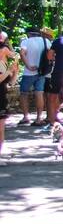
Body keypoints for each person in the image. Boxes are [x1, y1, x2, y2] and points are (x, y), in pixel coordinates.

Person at [18, 26, 50, 126]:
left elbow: (22, 54)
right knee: (39, 93)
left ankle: (26, 117)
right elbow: (51, 55)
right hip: (41, 72)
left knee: (23, 94)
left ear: (28, 34)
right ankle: (39, 118)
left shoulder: (25, 42)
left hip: (28, 72)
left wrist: (28, 65)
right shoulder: (46, 41)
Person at [0, 32, 14, 164]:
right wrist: (9, 71)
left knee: (1, 127)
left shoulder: (3, 63)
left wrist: (13, 71)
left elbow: (12, 82)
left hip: (2, 96)